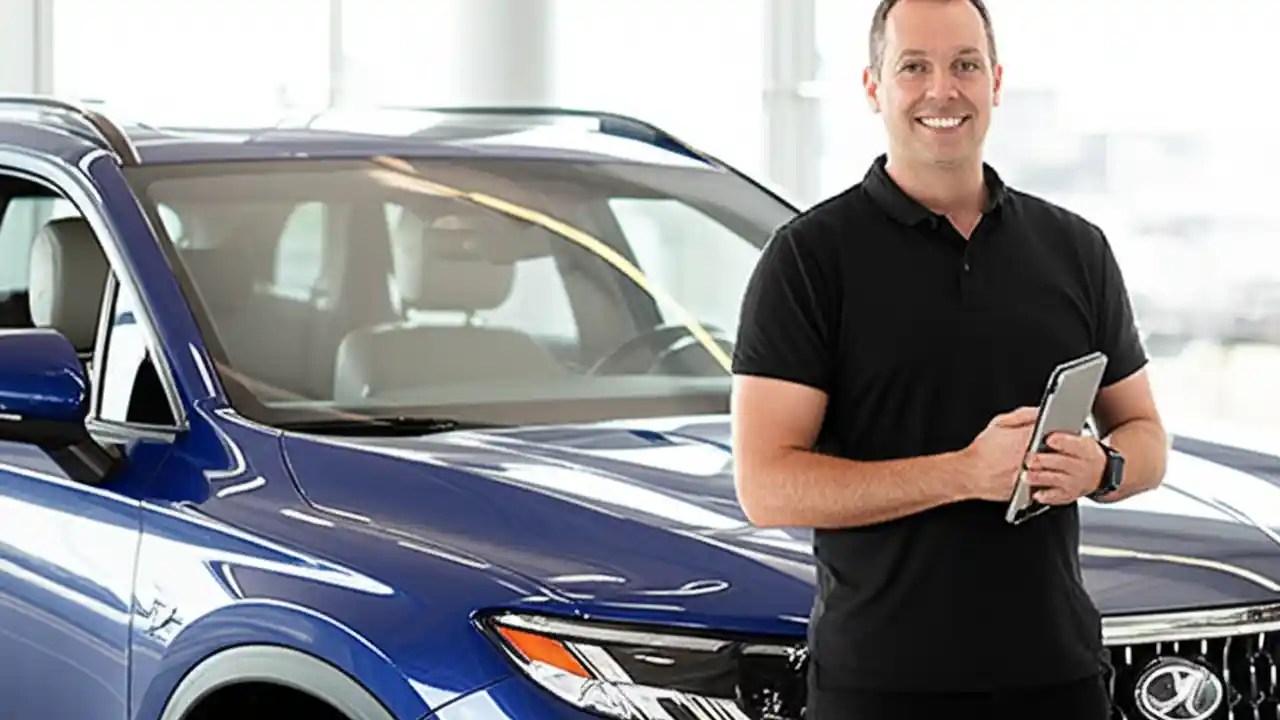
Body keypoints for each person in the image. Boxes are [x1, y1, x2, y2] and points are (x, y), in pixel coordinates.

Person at [729, 1, 1169, 718]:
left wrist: (1104, 467)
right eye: (914, 67)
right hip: (883, 687)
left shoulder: (1075, 248)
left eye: (965, 65)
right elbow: (767, 484)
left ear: (996, 81)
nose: (943, 90)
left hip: (1059, 679)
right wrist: (963, 474)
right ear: (874, 87)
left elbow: (1146, 435)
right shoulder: (809, 259)